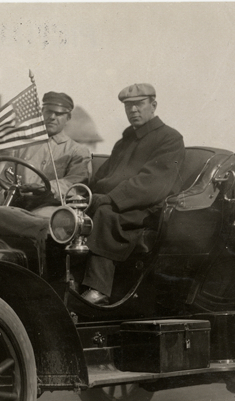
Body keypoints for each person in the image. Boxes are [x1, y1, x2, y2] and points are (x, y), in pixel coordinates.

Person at [80, 83, 186, 305]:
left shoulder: (170, 138)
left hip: (145, 208)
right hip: (120, 202)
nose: (133, 110)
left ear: (153, 105)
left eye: (139, 104)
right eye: (128, 106)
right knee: (71, 216)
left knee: (105, 215)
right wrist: (85, 194)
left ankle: (98, 290)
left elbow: (153, 183)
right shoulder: (125, 141)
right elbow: (103, 175)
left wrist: (109, 198)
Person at [0, 92, 91, 209]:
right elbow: (1, 185)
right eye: (48, 111)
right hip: (16, 209)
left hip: (51, 212)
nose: (52, 117)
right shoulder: (22, 148)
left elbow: (76, 186)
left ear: (68, 117)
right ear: (42, 112)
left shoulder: (77, 152)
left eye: (59, 113)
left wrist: (45, 188)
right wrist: (8, 193)